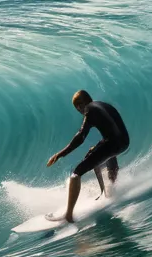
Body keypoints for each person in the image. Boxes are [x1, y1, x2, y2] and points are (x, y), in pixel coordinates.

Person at [46, 90, 130, 222]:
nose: (79, 111)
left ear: (80, 105)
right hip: (124, 141)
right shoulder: (103, 105)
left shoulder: (89, 110)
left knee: (76, 174)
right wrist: (98, 148)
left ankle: (68, 215)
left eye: (77, 108)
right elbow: (114, 129)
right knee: (103, 154)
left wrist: (60, 154)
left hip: (112, 143)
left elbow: (81, 136)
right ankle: (111, 190)